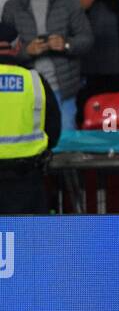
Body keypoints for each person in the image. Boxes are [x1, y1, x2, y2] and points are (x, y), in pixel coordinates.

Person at [1, 0, 93, 131]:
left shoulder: (68, 2)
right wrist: (27, 51)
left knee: (65, 147)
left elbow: (87, 39)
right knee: (30, 146)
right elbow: (5, 55)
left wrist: (66, 43)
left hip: (63, 90)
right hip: (27, 93)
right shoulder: (12, 7)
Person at [0, 19, 61, 214]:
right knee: (28, 241)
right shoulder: (35, 81)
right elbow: (53, 130)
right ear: (17, 46)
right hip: (26, 179)